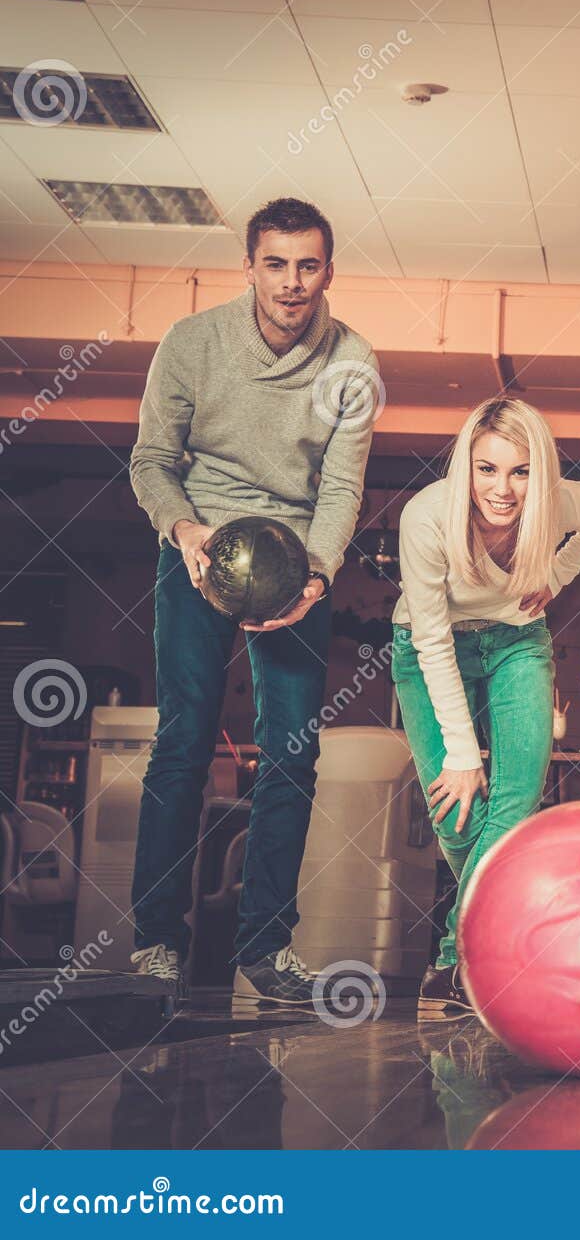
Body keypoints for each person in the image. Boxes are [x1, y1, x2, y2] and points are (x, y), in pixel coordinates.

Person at [128, 197, 377, 1007]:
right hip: (199, 550)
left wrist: (318, 575)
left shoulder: (354, 365)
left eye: (309, 265)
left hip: (295, 559)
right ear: (250, 266)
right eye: (276, 263)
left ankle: (266, 945)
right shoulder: (192, 344)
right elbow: (151, 462)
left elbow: (339, 487)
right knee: (184, 740)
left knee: (293, 752)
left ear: (328, 271)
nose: (292, 282)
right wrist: (187, 531)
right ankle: (158, 940)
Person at [392, 398, 580, 1017]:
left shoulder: (561, 503)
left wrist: (561, 570)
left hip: (518, 641)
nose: (503, 488)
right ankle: (510, 935)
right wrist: (464, 756)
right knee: (454, 814)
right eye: (487, 469)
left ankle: (458, 960)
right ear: (465, 466)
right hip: (427, 649)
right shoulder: (426, 518)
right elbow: (434, 640)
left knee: (514, 806)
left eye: (520, 471)